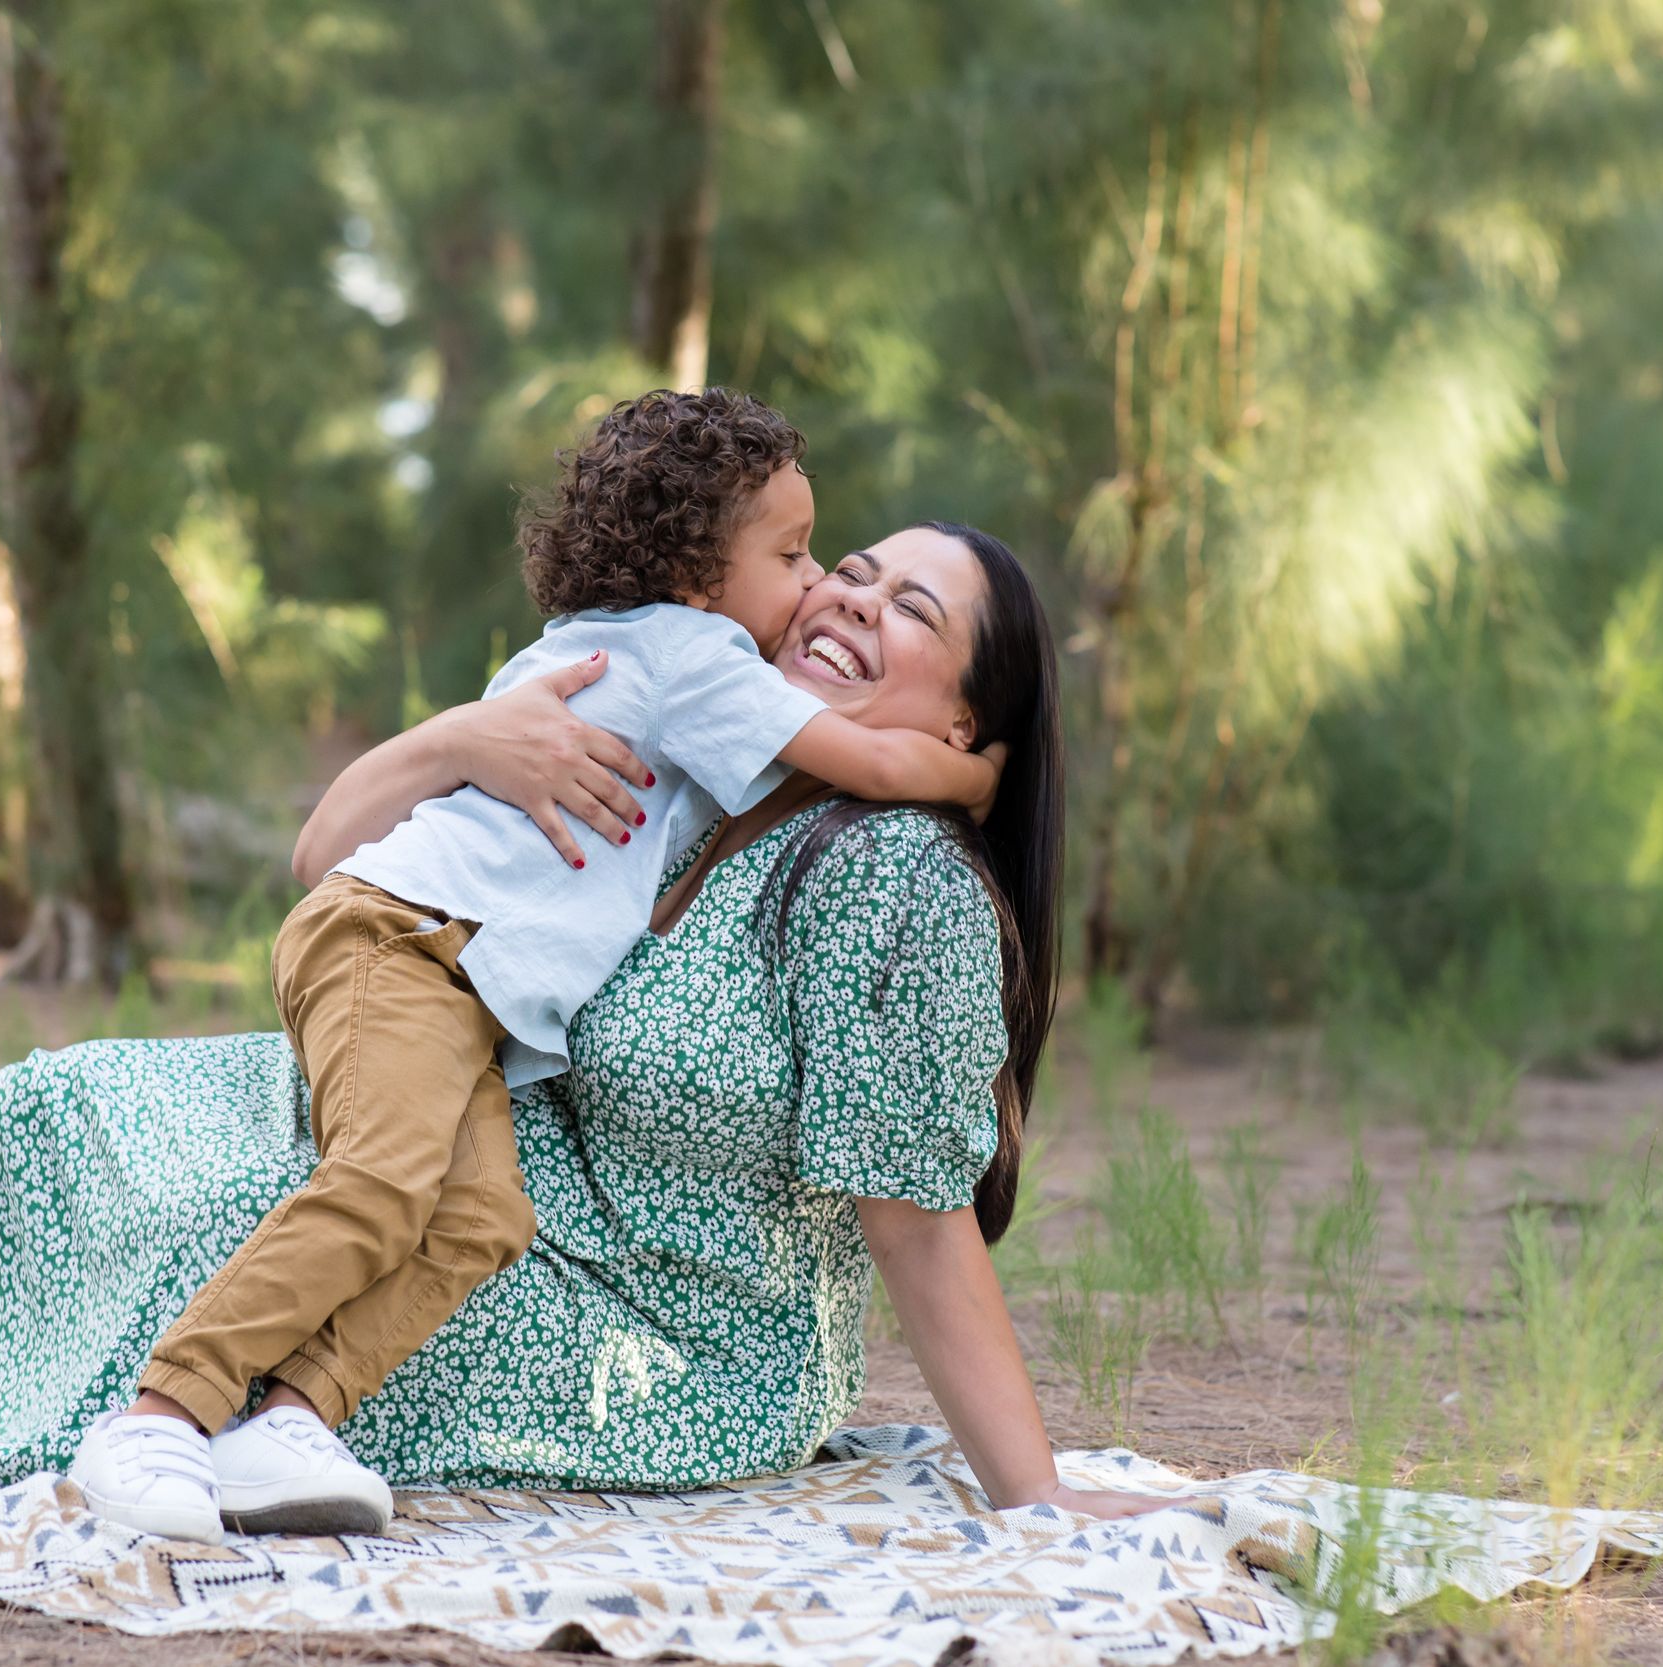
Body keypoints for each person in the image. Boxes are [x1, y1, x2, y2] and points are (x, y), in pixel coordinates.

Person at [0, 519, 1170, 1528]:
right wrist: (467, 732)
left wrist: (1034, 1502)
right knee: (86, 1103)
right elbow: (334, 864)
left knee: (246, 1224)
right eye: (851, 569)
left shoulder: (898, 883)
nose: (850, 601)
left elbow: (922, 1227)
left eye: (910, 615)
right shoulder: (699, 767)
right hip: (495, 1136)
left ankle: (41, 1369)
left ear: (969, 721)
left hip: (674, 1328)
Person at [70, 389, 1003, 1542]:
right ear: (704, 573)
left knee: (477, 1219)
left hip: (454, 979)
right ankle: (164, 1413)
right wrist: (969, 778)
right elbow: (861, 754)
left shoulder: (622, 655)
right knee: (381, 1177)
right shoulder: (696, 658)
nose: (817, 587)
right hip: (406, 941)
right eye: (799, 554)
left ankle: (294, 1417)